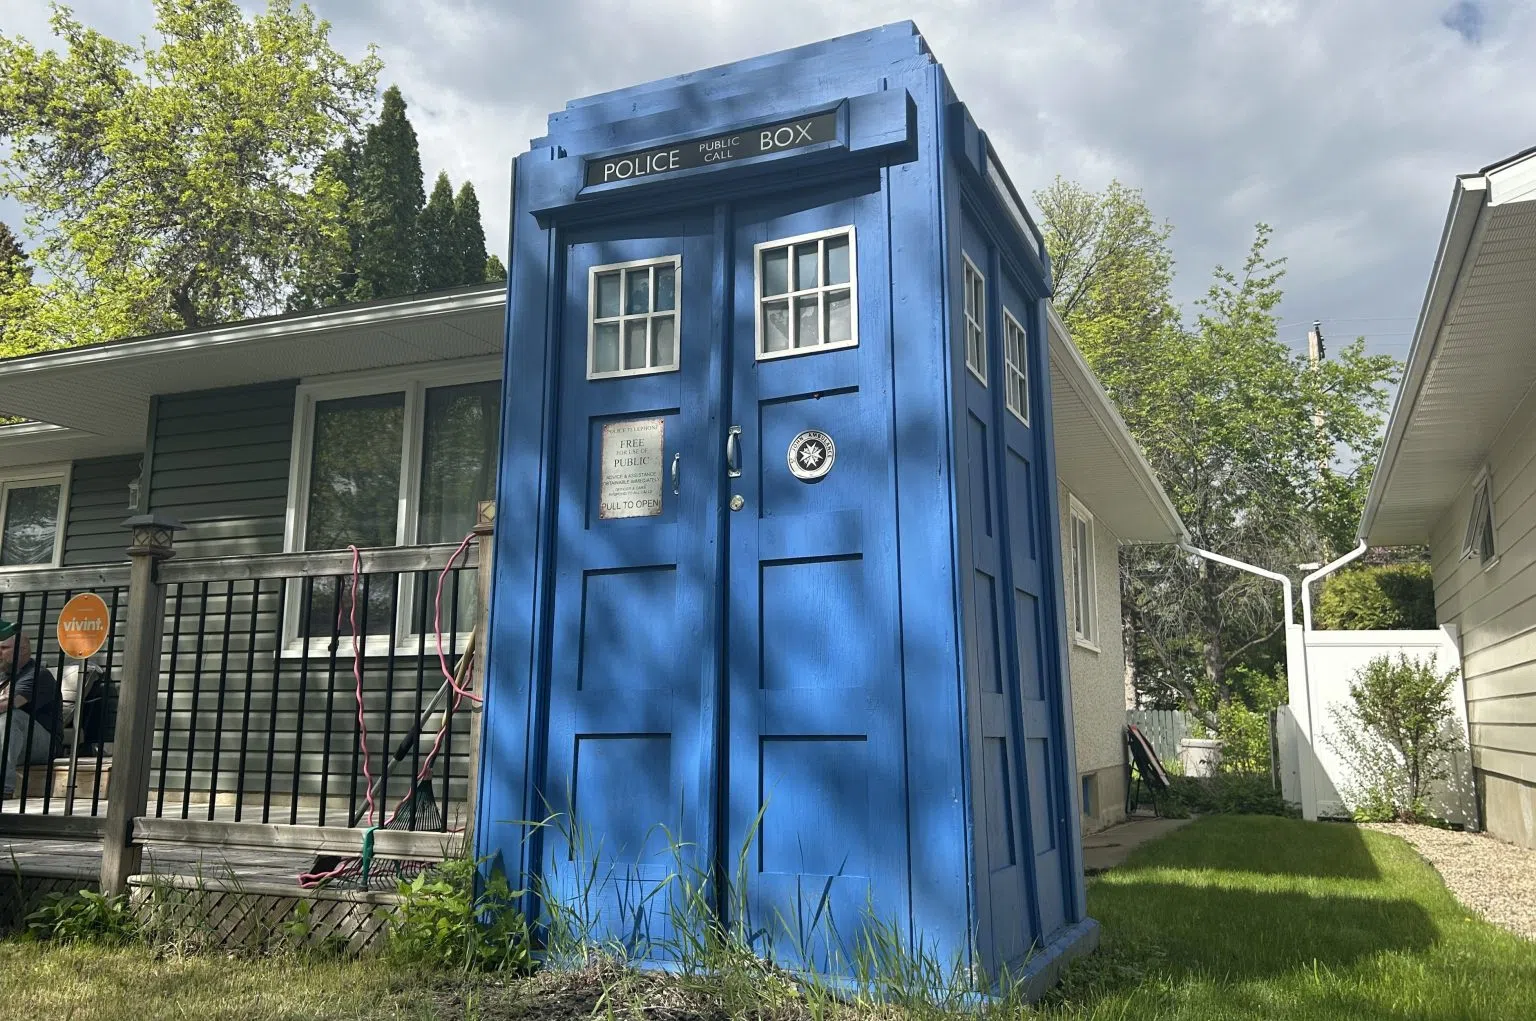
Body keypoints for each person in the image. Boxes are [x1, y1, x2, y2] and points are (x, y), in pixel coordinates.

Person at [0, 620, 61, 800]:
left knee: (10, 717)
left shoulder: (37, 674)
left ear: (23, 650)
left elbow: (8, 704)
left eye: (4, 649)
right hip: (11, 744)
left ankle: (4, 787)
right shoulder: (4, 675)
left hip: (43, 745)